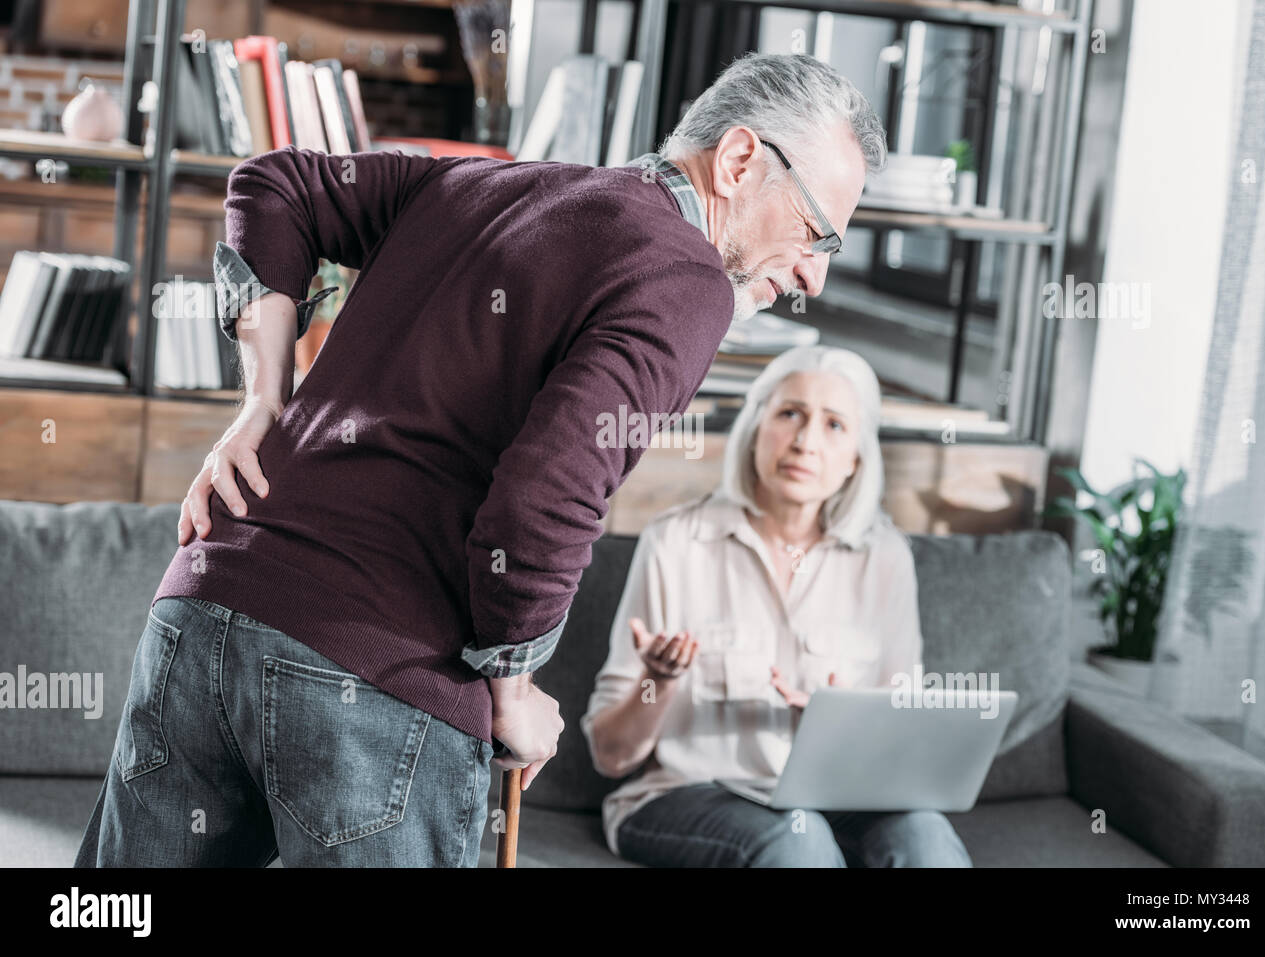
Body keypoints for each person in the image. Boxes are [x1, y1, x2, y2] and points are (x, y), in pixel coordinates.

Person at [74, 52, 885, 867]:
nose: (813, 271)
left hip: (203, 608)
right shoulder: (688, 277)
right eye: (818, 231)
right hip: (373, 674)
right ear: (741, 160)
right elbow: (546, 499)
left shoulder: (493, 186)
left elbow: (273, 184)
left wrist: (264, 398)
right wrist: (515, 687)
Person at [581, 345, 974, 867]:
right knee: (798, 838)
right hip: (686, 795)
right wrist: (660, 679)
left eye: (834, 425)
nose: (806, 441)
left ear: (857, 456)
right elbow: (610, 756)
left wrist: (839, 726)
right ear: (756, 426)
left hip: (837, 799)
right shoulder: (676, 542)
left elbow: (903, 744)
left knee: (925, 837)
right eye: (790, 414)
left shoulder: (885, 558)